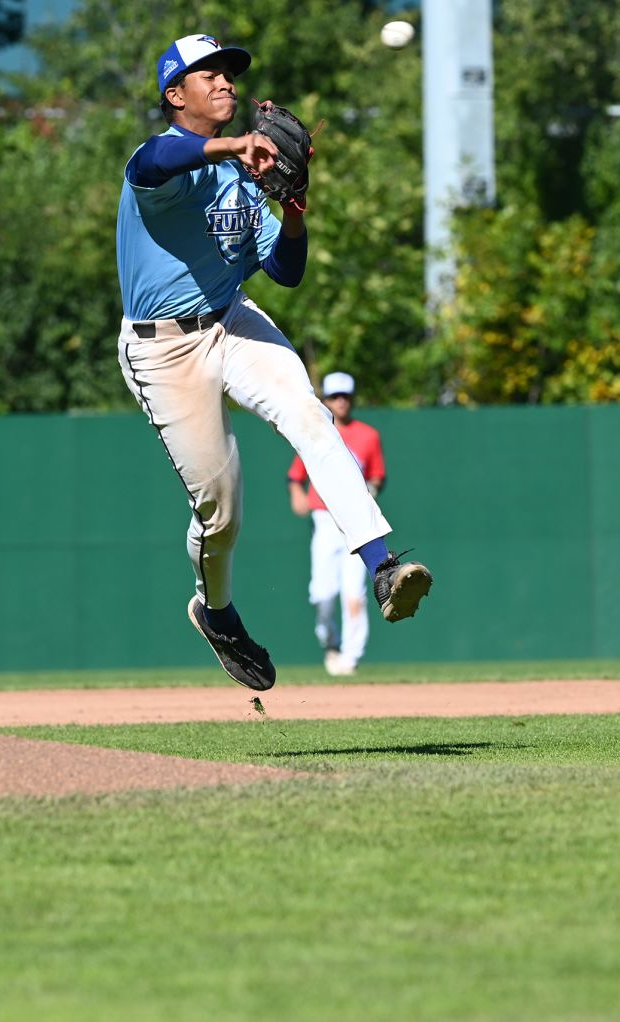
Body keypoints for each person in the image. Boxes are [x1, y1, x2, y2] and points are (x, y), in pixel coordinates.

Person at [114, 34, 432, 692]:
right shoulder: (167, 164)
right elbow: (153, 160)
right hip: (162, 348)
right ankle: (217, 613)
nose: (225, 81)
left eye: (229, 72)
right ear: (175, 94)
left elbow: (285, 270)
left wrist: (293, 210)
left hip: (230, 318)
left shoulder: (243, 178)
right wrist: (232, 146)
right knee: (221, 510)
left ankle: (381, 565)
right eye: (208, 73)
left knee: (311, 417)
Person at [287, 372, 385, 676]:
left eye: (345, 396)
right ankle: (331, 643)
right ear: (326, 400)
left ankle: (351, 657)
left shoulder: (368, 435)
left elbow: (377, 475)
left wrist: (367, 494)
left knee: (354, 592)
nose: (341, 401)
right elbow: (296, 475)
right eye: (334, 396)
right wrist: (296, 494)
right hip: (324, 519)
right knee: (323, 593)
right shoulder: (316, 432)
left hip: (355, 520)